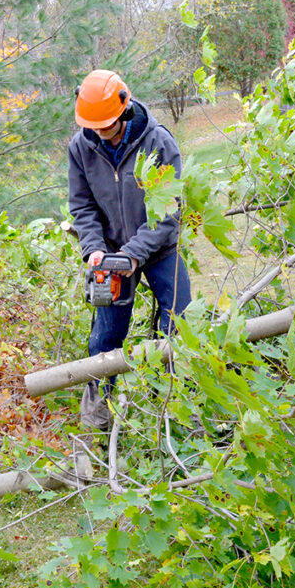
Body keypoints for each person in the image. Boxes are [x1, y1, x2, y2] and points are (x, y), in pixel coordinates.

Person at [68, 69, 192, 428]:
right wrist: (93, 248)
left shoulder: (159, 143)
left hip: (160, 247)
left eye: (107, 124)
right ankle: (98, 407)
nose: (101, 132)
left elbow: (168, 212)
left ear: (124, 107)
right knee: (106, 335)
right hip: (109, 250)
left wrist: (135, 253)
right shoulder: (81, 147)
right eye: (94, 126)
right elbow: (82, 206)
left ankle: (178, 405)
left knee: (179, 323)